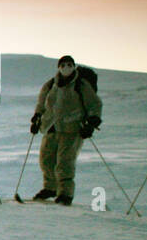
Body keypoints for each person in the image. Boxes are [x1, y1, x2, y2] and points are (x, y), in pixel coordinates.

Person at [31, 55, 101, 205]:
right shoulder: (50, 85)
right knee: (46, 160)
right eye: (63, 65)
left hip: (72, 128)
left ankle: (65, 193)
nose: (66, 67)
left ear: (74, 66)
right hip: (51, 126)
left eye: (69, 65)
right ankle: (50, 188)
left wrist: (92, 122)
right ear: (58, 67)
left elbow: (94, 104)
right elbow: (42, 102)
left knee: (65, 162)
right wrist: (37, 117)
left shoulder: (80, 85)